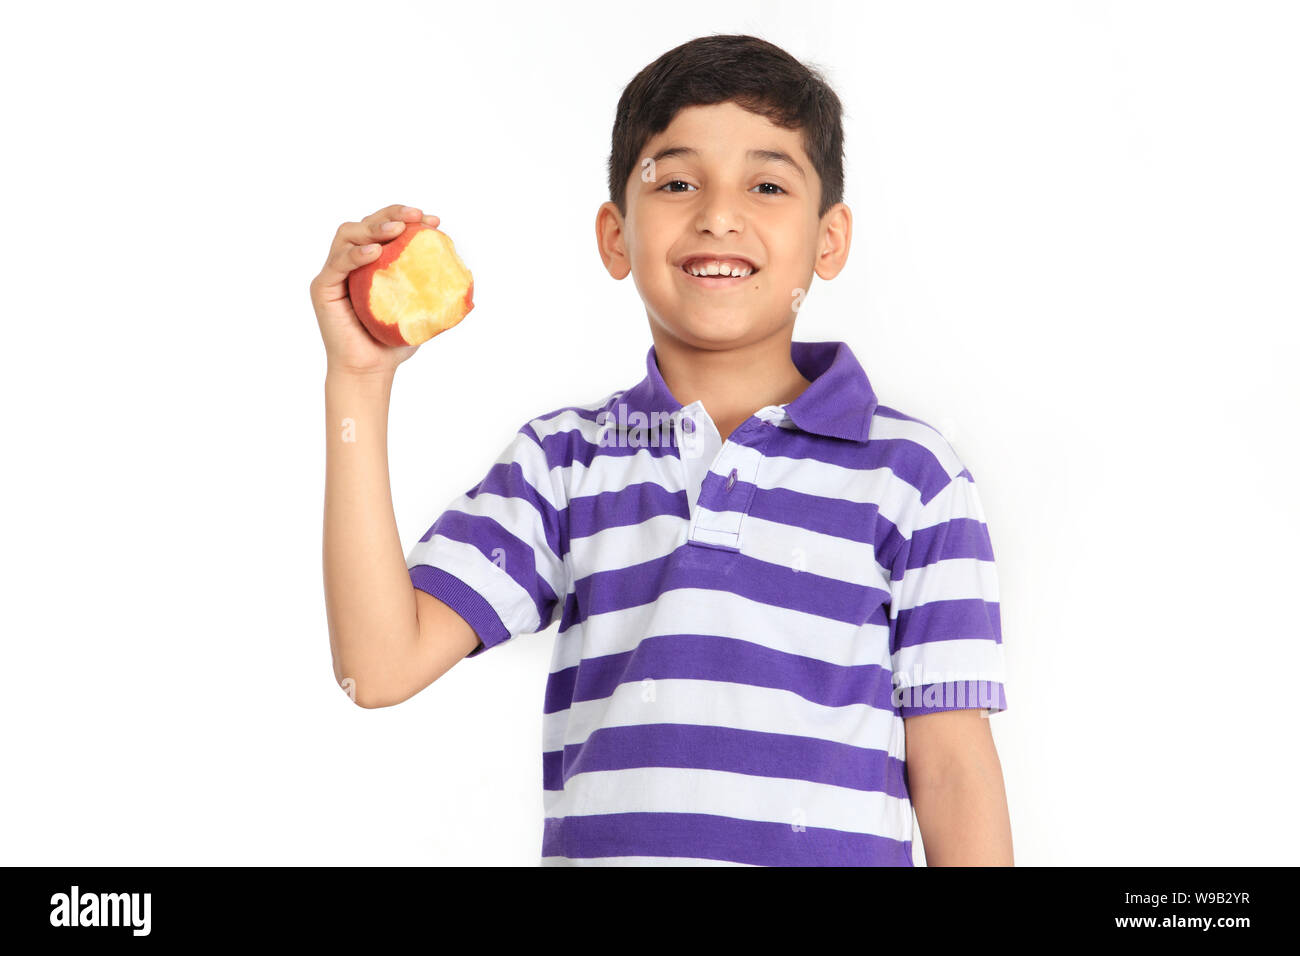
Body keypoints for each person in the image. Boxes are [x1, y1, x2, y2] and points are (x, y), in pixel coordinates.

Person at [310, 34, 1012, 866]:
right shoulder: (565, 463)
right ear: (616, 236)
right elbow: (378, 668)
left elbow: (955, 767)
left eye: (767, 183)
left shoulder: (913, 477)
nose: (719, 213)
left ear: (829, 240)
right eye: (676, 182)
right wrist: (357, 382)